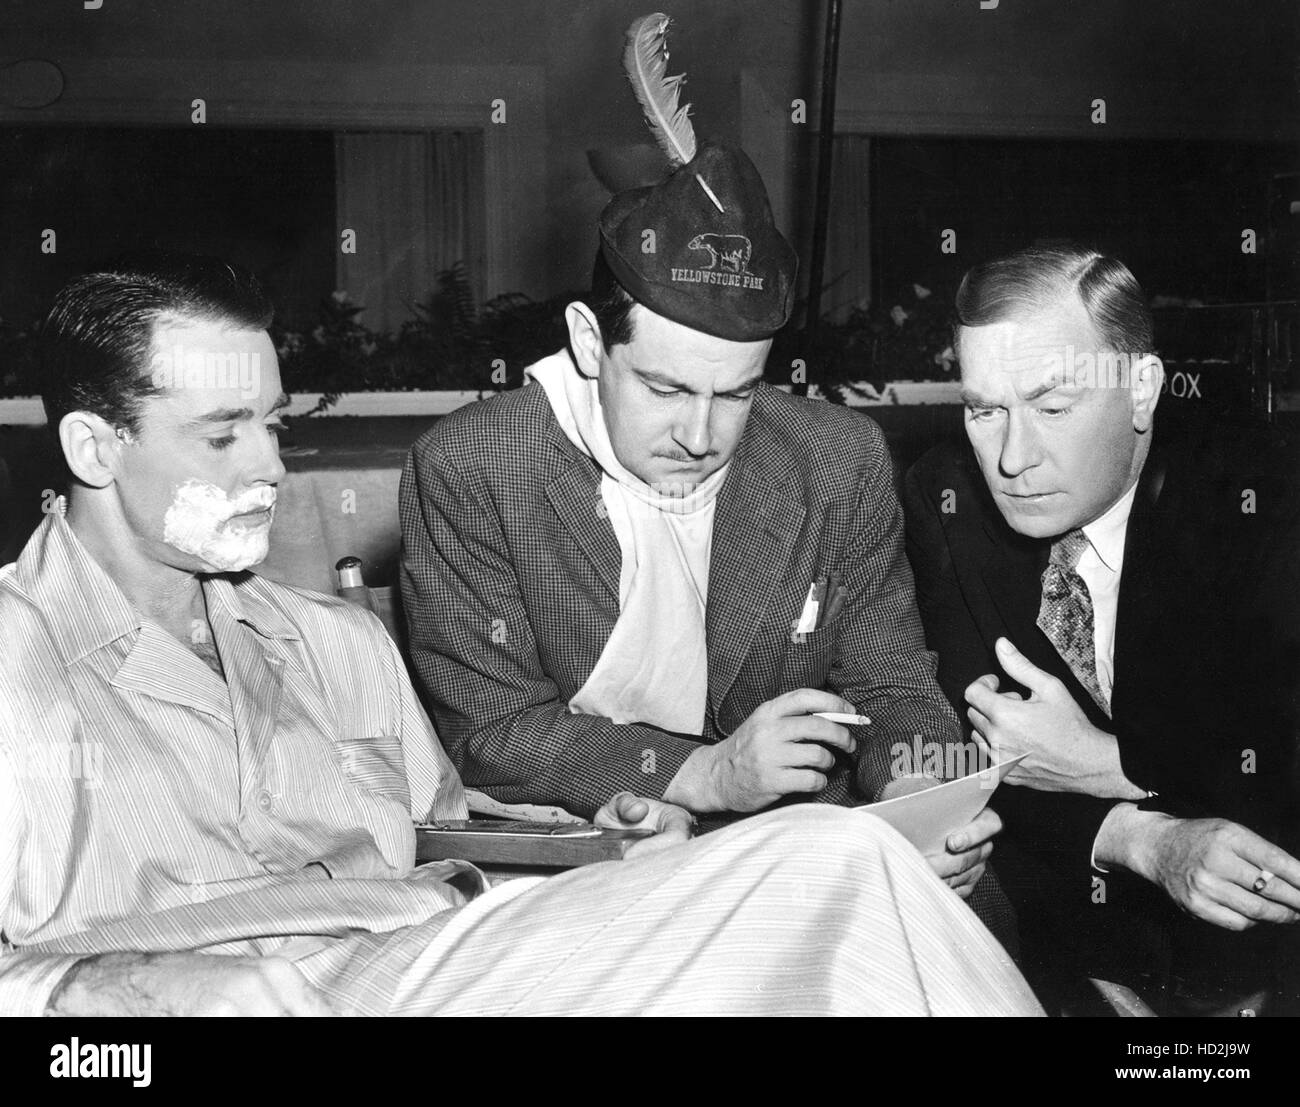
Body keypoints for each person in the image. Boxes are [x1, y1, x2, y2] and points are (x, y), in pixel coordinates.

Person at [0, 254, 1042, 1017]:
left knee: (843, 856)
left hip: (429, 960)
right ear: (94, 446)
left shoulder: (329, 645)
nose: (269, 466)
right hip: (200, 999)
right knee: (836, 872)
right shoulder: (14, 664)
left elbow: (447, 830)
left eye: (275, 424)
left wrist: (603, 842)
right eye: (223, 435)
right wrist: (118, 1000)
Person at [400, 144, 1006, 913]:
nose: (699, 433)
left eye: (737, 393)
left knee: (975, 910)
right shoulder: (473, 468)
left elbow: (892, 684)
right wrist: (708, 773)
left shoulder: (835, 458)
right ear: (590, 341)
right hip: (595, 850)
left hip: (810, 835)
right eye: (664, 387)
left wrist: (921, 792)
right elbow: (494, 732)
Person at [902, 242, 1300, 1013]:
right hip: (1073, 955)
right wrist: (1140, 837)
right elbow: (964, 764)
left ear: (1141, 389)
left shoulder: (1259, 501)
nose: (1014, 458)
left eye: (1053, 407)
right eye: (986, 410)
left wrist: (1107, 761)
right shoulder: (945, 497)